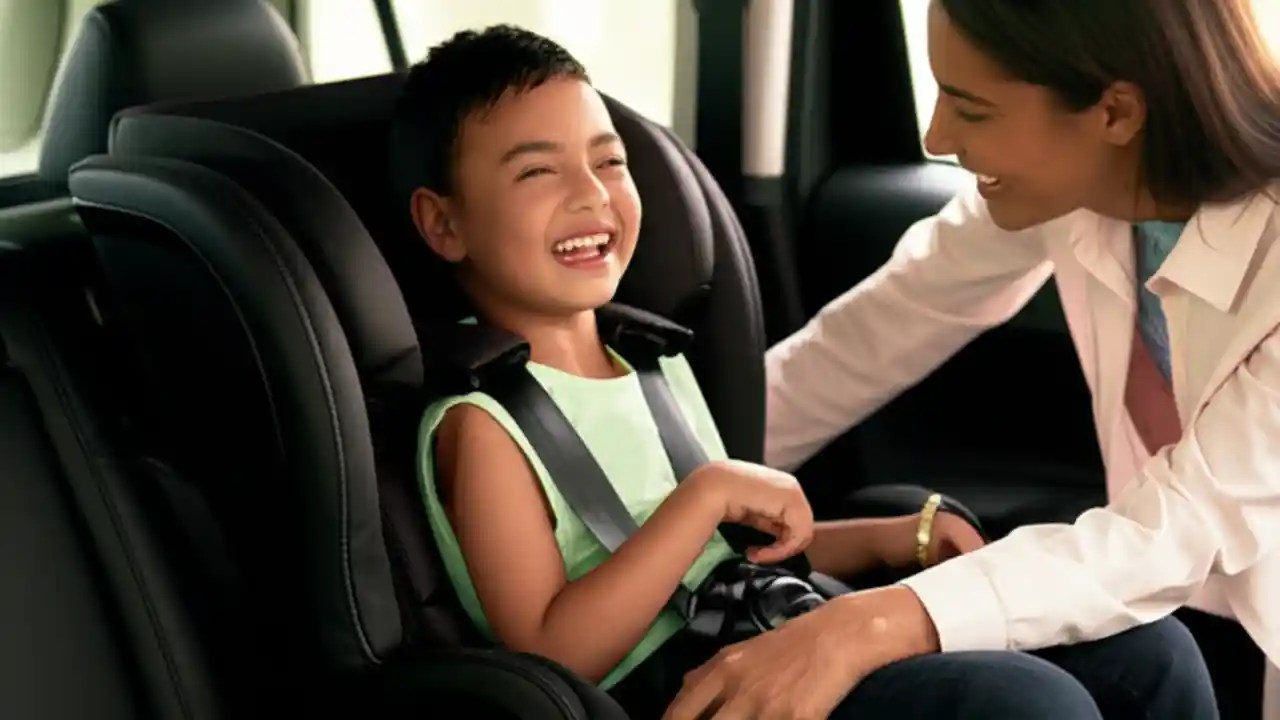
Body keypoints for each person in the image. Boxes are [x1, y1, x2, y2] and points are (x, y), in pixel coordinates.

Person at [392, 23, 1217, 720]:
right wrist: (707, 494)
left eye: (609, 162)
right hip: (692, 689)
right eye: (538, 172)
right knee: (1026, 703)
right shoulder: (483, 425)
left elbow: (732, 556)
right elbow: (551, 649)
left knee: (1148, 649)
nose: (590, 195)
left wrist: (885, 540)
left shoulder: (650, 362)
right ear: (443, 224)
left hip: (777, 622)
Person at [665, 0, 1280, 718]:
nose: (937, 136)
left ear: (1115, 113)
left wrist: (874, 625)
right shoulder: (1087, 182)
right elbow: (872, 335)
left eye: (971, 109)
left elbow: (1182, 525)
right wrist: (671, 487)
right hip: (1193, 592)